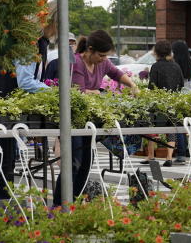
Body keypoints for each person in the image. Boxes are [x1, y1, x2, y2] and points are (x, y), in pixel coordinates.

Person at [54, 30, 141, 206]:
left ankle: (74, 203)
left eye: (106, 56)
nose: (103, 59)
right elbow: (79, 92)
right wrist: (94, 92)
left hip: (90, 122)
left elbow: (116, 73)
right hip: (74, 121)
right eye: (101, 55)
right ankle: (58, 205)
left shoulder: (102, 63)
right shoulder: (76, 63)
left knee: (86, 164)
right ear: (90, 50)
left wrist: (132, 85)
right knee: (73, 164)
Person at [0, 54, 49, 201]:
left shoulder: (31, 42)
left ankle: (2, 203)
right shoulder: (28, 44)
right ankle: (0, 205)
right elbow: (26, 82)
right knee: (3, 159)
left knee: (5, 158)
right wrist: (55, 91)